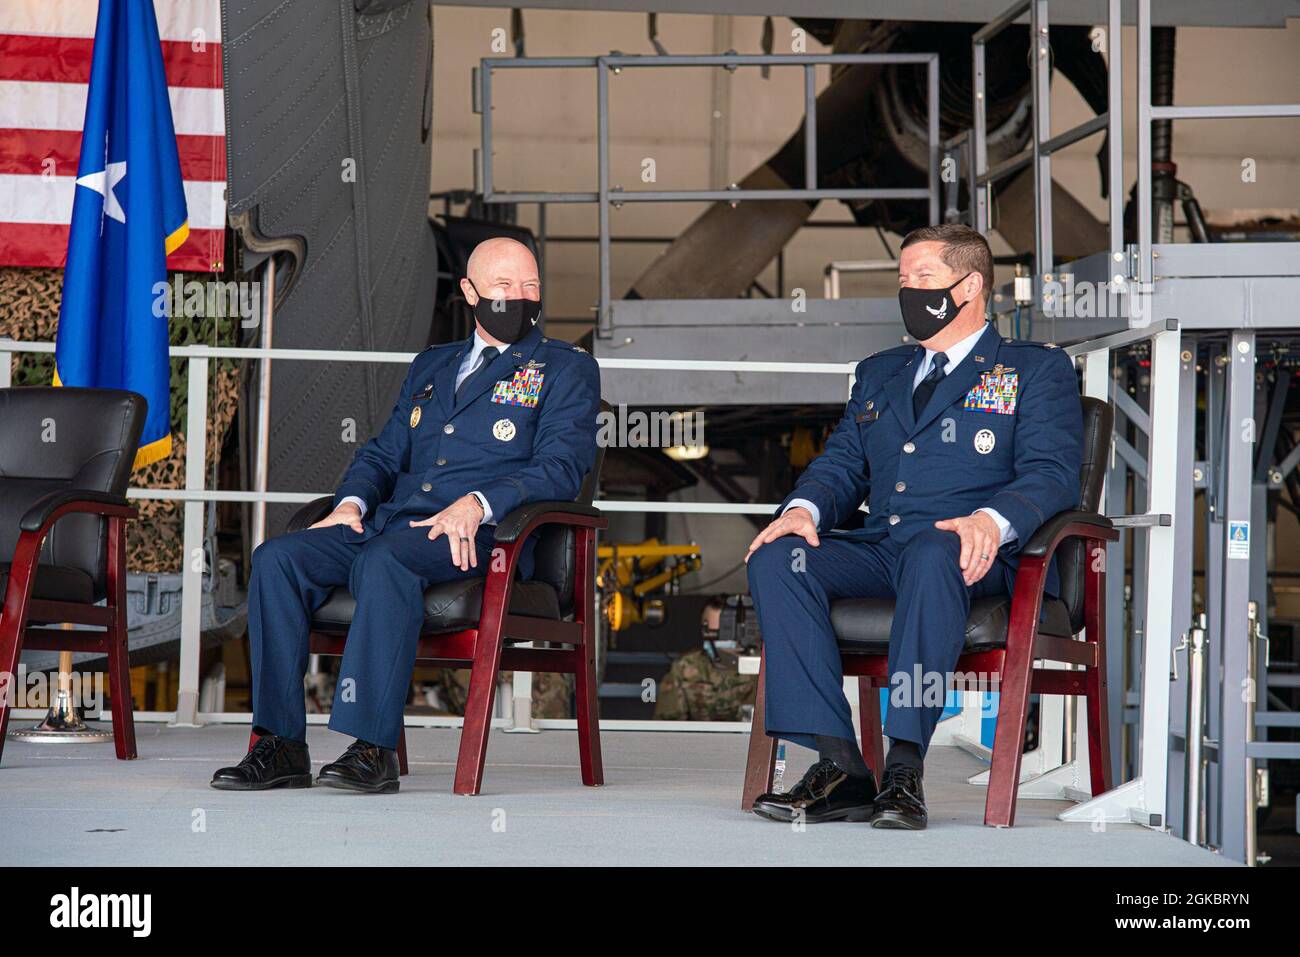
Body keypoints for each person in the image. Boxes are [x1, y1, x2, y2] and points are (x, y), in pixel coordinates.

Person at [212, 237, 600, 793]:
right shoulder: (432, 364)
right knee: (277, 560)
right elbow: (383, 453)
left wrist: (478, 503)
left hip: (484, 536)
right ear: (470, 293)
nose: (521, 297)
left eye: (531, 285)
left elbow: (563, 467)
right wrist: (350, 504)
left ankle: (372, 750)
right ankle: (279, 745)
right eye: (504, 286)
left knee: (385, 561)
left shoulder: (564, 368)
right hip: (391, 524)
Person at [744, 224, 1082, 828]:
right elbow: (843, 464)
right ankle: (841, 765)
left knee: (934, 550)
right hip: (884, 545)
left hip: (977, 554)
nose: (909, 291)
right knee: (778, 556)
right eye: (903, 281)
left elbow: (1052, 473)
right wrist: (803, 510)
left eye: (922, 279)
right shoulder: (881, 372)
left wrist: (991, 519)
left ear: (970, 285)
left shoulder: (1033, 369)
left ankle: (903, 766)